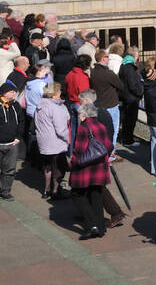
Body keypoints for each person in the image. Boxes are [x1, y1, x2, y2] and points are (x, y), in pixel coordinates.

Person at [69, 98, 112, 239]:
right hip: (100, 167)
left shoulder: (83, 128)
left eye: (79, 115)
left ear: (84, 115)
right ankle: (100, 227)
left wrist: (72, 164)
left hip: (86, 168)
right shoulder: (101, 126)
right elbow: (109, 146)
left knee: (77, 194)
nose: (78, 117)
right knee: (97, 196)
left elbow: (78, 151)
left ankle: (92, 224)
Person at [35, 82, 71, 201]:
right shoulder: (56, 108)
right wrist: (68, 139)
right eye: (59, 91)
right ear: (54, 94)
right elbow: (61, 130)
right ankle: (56, 191)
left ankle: (46, 190)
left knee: (47, 168)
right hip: (56, 144)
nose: (61, 93)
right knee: (59, 169)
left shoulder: (40, 106)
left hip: (43, 143)